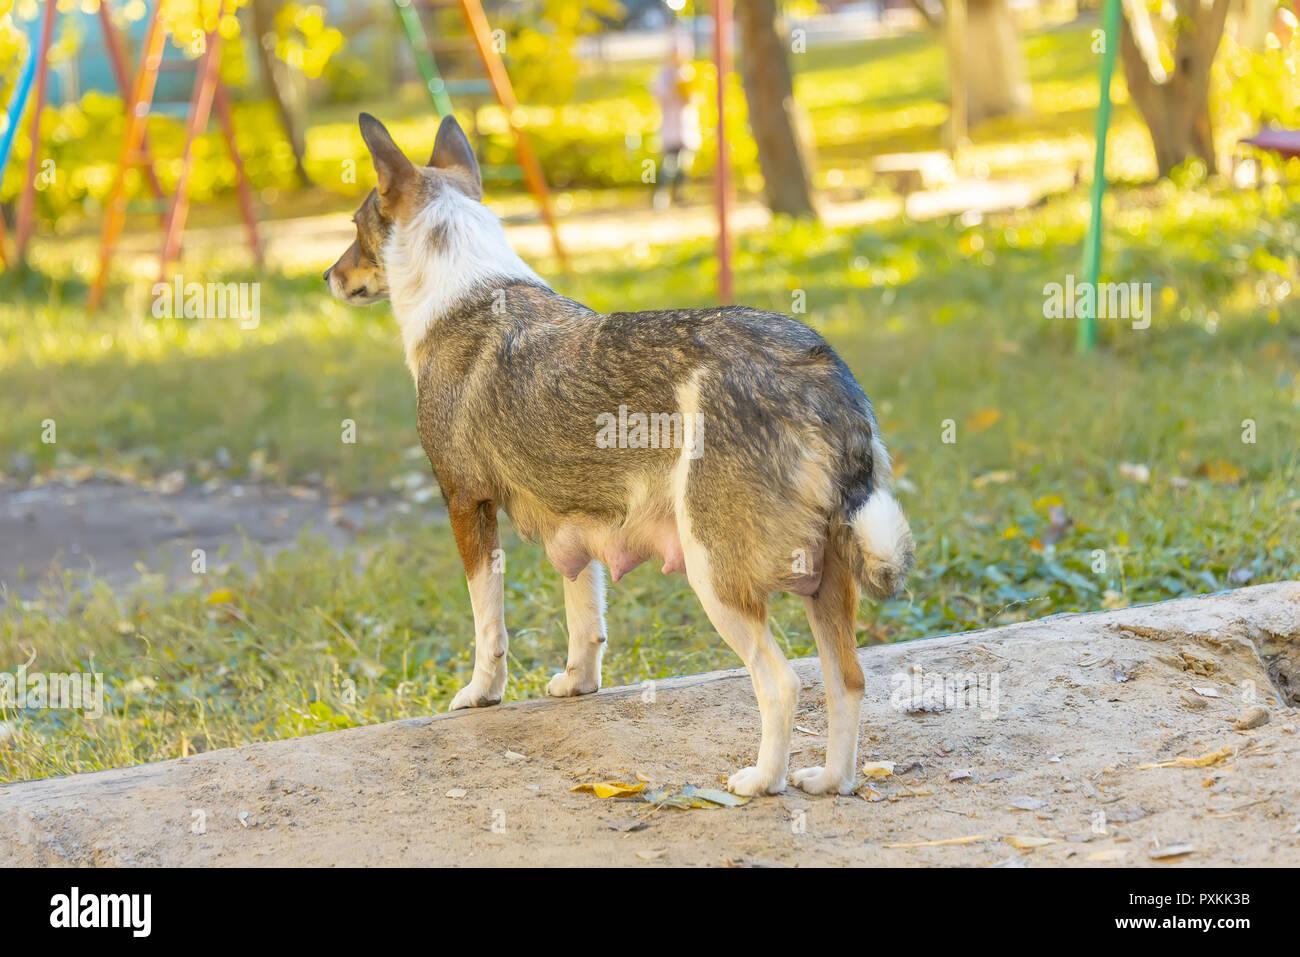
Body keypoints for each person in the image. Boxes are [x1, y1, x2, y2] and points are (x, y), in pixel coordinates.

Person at [652, 34, 701, 209]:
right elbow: (658, 95)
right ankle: (661, 195)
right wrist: (673, 88)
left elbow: (694, 97)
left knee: (684, 163)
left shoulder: (688, 72)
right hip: (670, 125)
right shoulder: (664, 74)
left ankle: (680, 195)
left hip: (685, 125)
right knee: (669, 164)